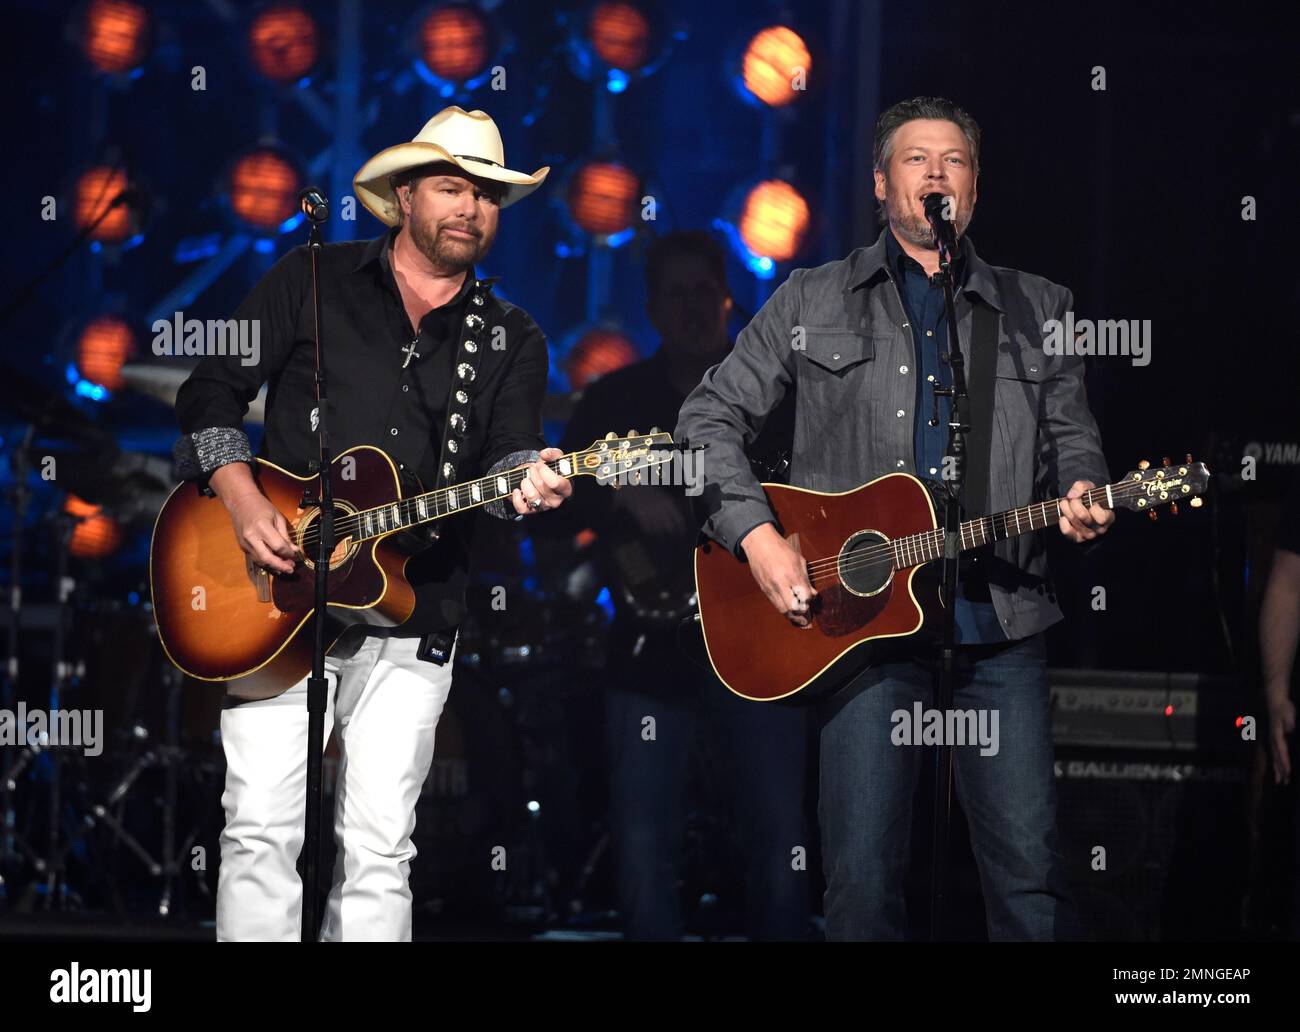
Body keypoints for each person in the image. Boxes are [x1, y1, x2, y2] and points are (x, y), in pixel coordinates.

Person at [675, 96, 1113, 940]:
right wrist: (757, 536)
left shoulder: (1039, 307)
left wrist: (1089, 487)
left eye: (954, 160)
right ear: (882, 184)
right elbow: (707, 419)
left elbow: (1072, 438)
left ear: (976, 189)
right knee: (864, 888)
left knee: (1028, 880)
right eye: (916, 159)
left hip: (1002, 623)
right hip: (861, 627)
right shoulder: (812, 296)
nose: (936, 173)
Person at [171, 106, 572, 941]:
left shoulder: (511, 338)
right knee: (257, 831)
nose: (471, 209)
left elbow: (505, 460)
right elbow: (210, 390)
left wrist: (524, 485)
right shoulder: (309, 279)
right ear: (404, 196)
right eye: (453, 188)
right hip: (274, 599)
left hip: (413, 610)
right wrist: (245, 504)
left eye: (489, 196)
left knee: (381, 845)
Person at [539, 231, 809, 940]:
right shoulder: (614, 397)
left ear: (728, 296)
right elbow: (548, 507)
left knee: (782, 842)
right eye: (675, 293)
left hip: (761, 645)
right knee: (641, 841)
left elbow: (817, 501)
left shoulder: (780, 393)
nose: (691, 307)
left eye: (703, 290)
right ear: (652, 309)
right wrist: (619, 494)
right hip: (650, 651)